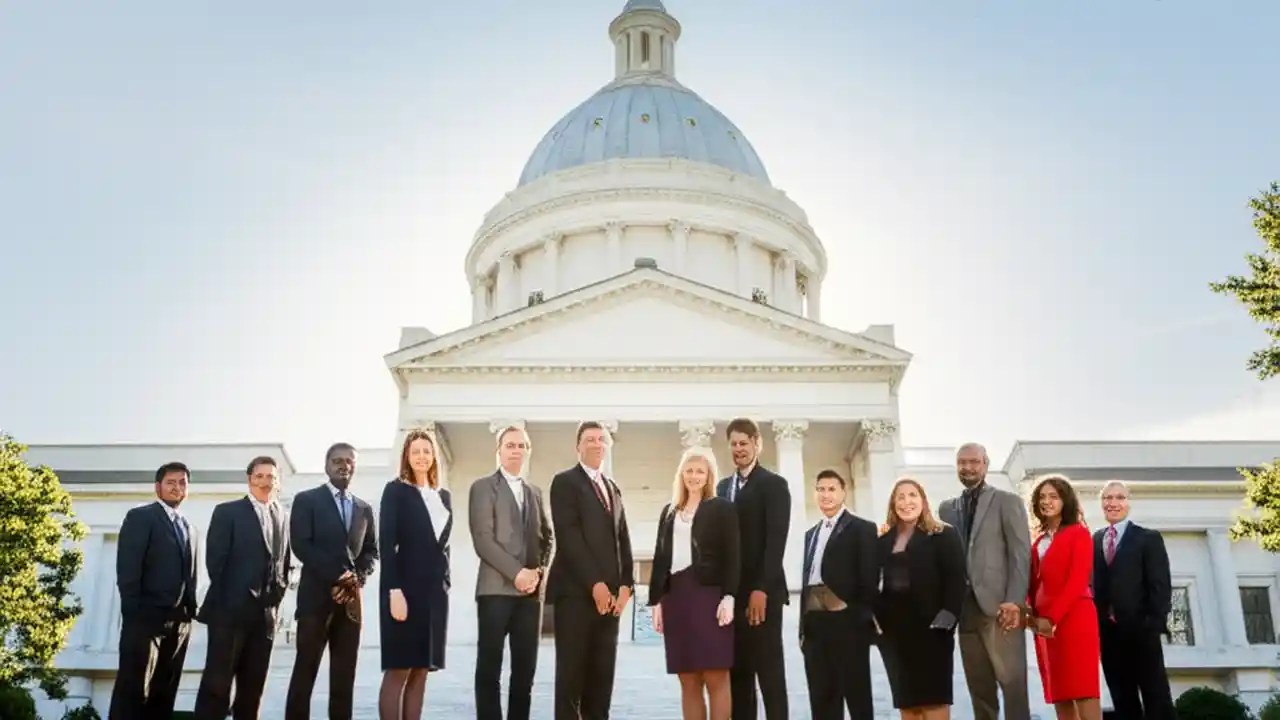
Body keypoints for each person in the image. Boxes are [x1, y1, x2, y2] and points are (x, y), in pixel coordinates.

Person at [546, 421, 635, 720]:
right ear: (578, 447)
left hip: (610, 603)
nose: (597, 444)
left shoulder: (613, 488)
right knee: (571, 679)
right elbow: (569, 537)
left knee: (601, 681)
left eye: (601, 439)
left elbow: (623, 539)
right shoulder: (565, 482)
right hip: (575, 596)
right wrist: (595, 584)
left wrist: (626, 585)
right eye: (589, 439)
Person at [937, 442, 1032, 720]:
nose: (967, 468)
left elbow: (1020, 553)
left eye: (973, 462)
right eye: (961, 463)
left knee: (1014, 689)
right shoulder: (946, 509)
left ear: (985, 464)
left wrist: (1015, 601)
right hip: (965, 612)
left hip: (1001, 610)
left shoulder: (1007, 501)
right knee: (980, 692)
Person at [285, 443, 378, 720]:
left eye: (349, 461)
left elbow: (371, 552)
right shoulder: (307, 500)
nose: (344, 465)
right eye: (337, 460)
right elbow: (301, 545)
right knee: (305, 671)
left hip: (351, 605)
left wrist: (355, 579)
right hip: (315, 601)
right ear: (326, 465)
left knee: (344, 676)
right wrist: (337, 575)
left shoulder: (364, 509)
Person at [193, 456, 291, 720]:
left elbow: (284, 563)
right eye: (259, 476)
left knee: (252, 689)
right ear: (250, 480)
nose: (265, 482)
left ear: (278, 482)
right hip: (230, 614)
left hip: (265, 618)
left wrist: (275, 599)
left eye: (271, 477)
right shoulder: (227, 512)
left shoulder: (282, 515)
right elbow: (216, 562)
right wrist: (235, 601)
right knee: (217, 685)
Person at [648, 445, 740, 720]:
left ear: (709, 475)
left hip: (709, 596)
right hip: (676, 598)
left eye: (700, 471)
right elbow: (660, 557)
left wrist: (729, 597)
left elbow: (733, 556)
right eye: (689, 470)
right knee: (687, 679)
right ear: (681, 474)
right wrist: (655, 602)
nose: (694, 476)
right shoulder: (669, 512)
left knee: (716, 675)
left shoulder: (722, 508)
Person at [469, 425, 554, 720]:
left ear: (527, 451)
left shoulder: (535, 492)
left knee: (524, 674)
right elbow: (482, 539)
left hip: (530, 597)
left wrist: (538, 573)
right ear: (499, 450)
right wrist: (517, 573)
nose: (516, 450)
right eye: (510, 445)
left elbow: (547, 538)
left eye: (521, 445)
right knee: (489, 670)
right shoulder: (482, 487)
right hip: (494, 591)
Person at [109, 461, 199, 720]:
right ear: (158, 486)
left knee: (164, 694)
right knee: (133, 691)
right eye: (171, 482)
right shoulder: (141, 517)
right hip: (145, 618)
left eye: (182, 483)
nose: (177, 487)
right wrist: (134, 614)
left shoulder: (190, 528)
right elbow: (128, 568)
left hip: (180, 622)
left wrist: (190, 613)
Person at [715, 417, 791, 720]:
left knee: (770, 675)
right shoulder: (722, 487)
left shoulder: (774, 485)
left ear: (757, 444)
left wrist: (761, 588)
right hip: (731, 597)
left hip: (763, 594)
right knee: (738, 676)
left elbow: (776, 540)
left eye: (744, 443)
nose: (738, 449)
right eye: (733, 444)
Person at [875, 477, 966, 720]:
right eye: (900, 497)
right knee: (908, 704)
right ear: (893, 504)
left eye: (912, 495)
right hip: (895, 635)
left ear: (923, 500)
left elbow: (956, 579)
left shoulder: (943, 534)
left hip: (932, 630)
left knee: (934, 702)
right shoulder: (882, 541)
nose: (907, 502)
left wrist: (948, 617)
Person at [378, 428, 453, 719]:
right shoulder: (395, 490)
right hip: (404, 591)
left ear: (434, 456)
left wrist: (445, 582)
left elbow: (442, 547)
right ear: (407, 457)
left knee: (421, 670)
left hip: (435, 594)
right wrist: (393, 591)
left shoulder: (443, 496)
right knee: (400, 668)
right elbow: (387, 544)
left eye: (426, 451)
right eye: (415, 452)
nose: (421, 457)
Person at [798, 469, 878, 720]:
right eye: (821, 489)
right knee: (822, 701)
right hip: (815, 626)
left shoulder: (862, 529)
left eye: (831, 489)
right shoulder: (810, 534)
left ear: (843, 492)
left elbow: (869, 580)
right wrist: (802, 629)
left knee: (857, 699)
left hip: (847, 624)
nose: (826, 495)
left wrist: (858, 619)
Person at [1092, 480, 1174, 720]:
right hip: (1108, 635)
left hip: (1142, 632)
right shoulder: (1095, 540)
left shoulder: (1148, 538)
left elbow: (1160, 585)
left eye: (1119, 497)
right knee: (1122, 699)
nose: (1113, 503)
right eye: (1108, 498)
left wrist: (1153, 624)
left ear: (1128, 503)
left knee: (1156, 697)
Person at [1025, 474, 1101, 720]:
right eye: (1042, 497)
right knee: (1060, 693)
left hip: (1074, 619)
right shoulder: (1038, 540)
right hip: (1045, 627)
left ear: (1065, 501)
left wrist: (1052, 617)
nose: (1047, 502)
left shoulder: (1078, 533)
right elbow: (1034, 583)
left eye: (1053, 496)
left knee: (1083, 689)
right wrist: (1031, 613)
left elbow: (1078, 580)